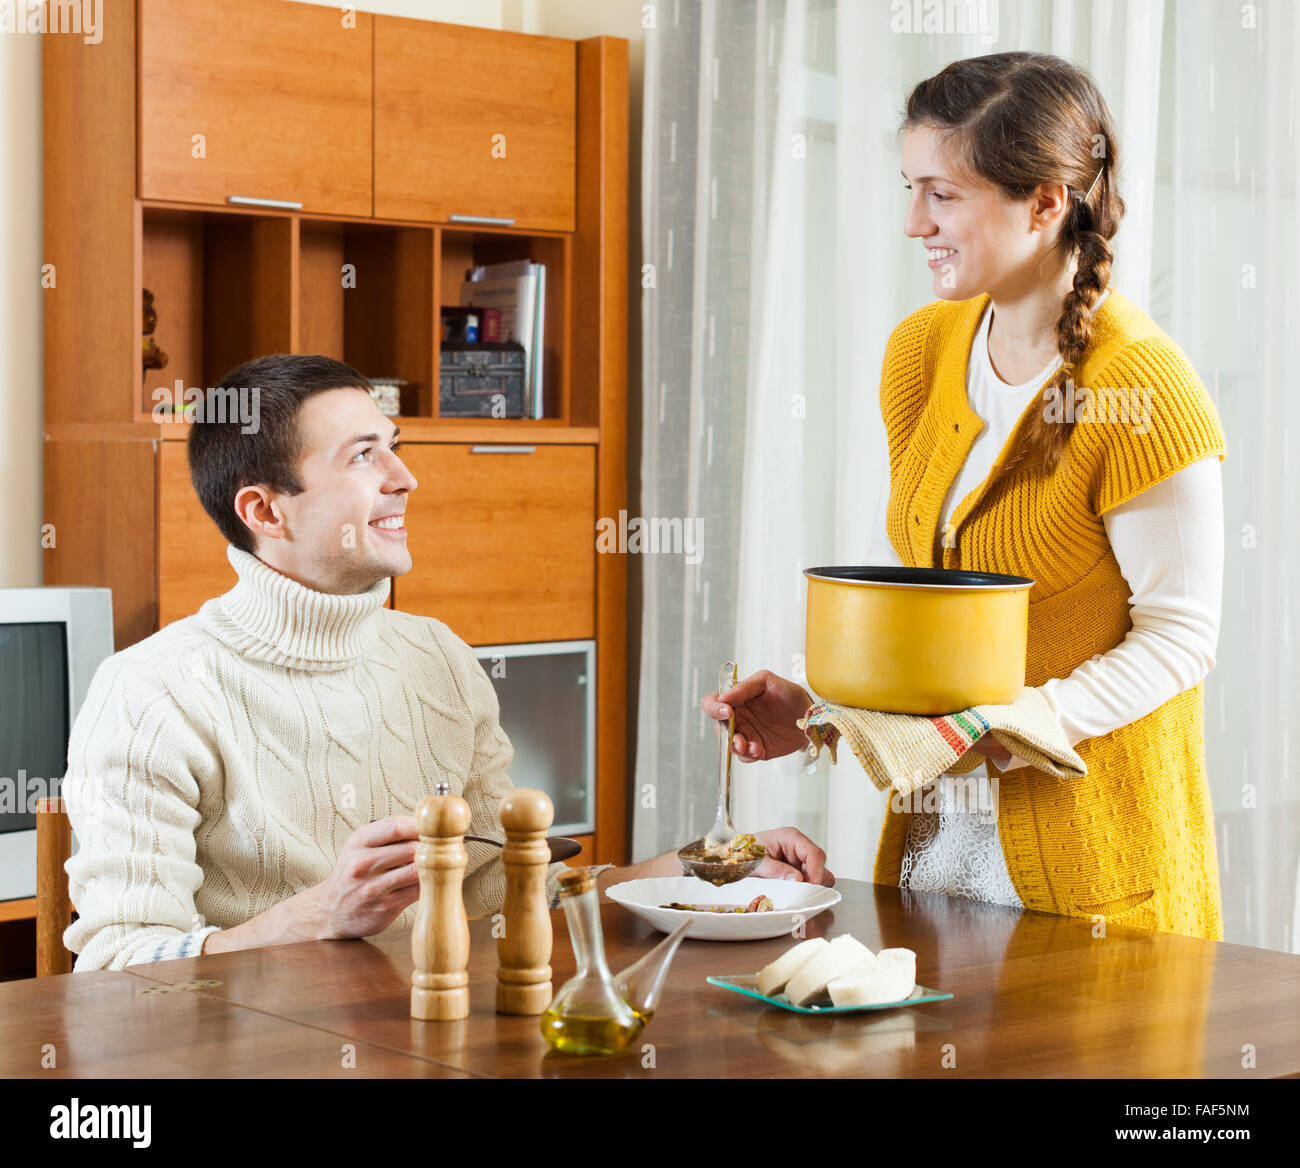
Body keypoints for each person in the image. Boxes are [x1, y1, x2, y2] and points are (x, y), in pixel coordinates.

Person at [63, 354, 831, 972]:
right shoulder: (149, 693)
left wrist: (713, 865)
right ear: (266, 511)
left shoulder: (436, 656)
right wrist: (319, 916)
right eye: (365, 457)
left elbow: (511, 889)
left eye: (392, 447)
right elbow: (118, 966)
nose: (406, 478)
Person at [703, 52, 1227, 941]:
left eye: (942, 195)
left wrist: (1019, 724)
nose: (914, 223)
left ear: (1046, 203)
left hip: (1093, 869)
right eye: (910, 189)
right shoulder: (923, 353)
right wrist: (825, 712)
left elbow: (1181, 637)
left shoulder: (1142, 386)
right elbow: (945, 627)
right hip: (934, 859)